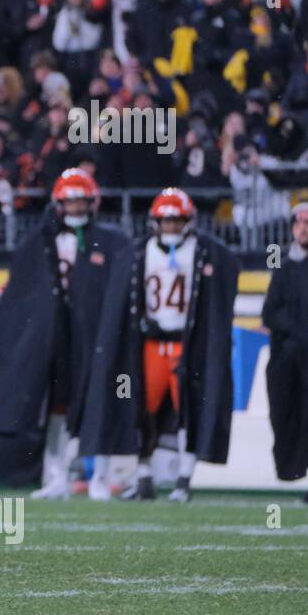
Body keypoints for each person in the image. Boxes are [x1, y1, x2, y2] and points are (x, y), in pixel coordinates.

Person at [0, 168, 130, 497]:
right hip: (54, 333)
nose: (75, 209)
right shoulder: (40, 241)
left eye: (80, 202)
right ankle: (55, 474)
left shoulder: (110, 241)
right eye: (69, 202)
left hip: (93, 333)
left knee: (96, 398)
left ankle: (99, 474)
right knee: (56, 404)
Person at [81, 189, 238, 501]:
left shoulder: (207, 251)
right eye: (165, 221)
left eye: (176, 221)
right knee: (142, 409)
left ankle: (184, 479)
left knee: (188, 411)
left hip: (186, 345)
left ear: (188, 221)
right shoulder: (138, 252)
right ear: (155, 222)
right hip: (151, 344)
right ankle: (143, 475)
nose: (170, 228)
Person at [262, 201, 308, 502]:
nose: (303, 228)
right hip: (298, 360)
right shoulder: (285, 268)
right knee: (305, 419)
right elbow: (270, 314)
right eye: (298, 223)